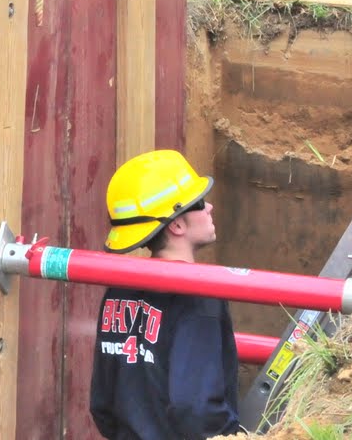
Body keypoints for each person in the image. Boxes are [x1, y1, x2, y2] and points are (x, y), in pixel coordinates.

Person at [90, 150, 241, 439]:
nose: (209, 207)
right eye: (199, 203)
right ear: (177, 224)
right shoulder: (200, 293)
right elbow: (195, 408)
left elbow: (102, 403)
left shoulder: (118, 291)